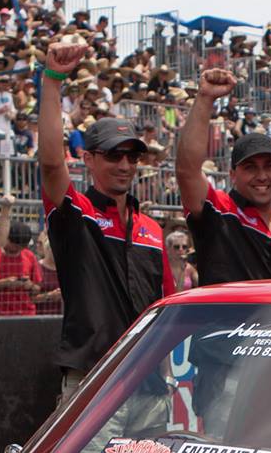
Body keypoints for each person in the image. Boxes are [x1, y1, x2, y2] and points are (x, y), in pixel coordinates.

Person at [38, 35, 171, 399]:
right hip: (91, 378)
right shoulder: (77, 212)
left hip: (148, 381)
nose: (125, 165)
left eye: (132, 157)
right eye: (114, 155)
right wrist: (52, 80)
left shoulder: (152, 229)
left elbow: (167, 308)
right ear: (88, 159)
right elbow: (50, 163)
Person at [174, 65, 271, 284]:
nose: (262, 176)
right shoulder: (218, 210)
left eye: (269, 166)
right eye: (250, 167)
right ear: (232, 175)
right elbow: (187, 170)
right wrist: (205, 98)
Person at [0, 220, 45, 316]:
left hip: (27, 314)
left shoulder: (29, 256)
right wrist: (4, 283)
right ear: (6, 238)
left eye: (21, 248)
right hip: (0, 315)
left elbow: (38, 288)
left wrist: (30, 285)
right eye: (14, 246)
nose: (17, 250)